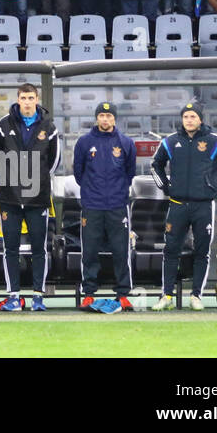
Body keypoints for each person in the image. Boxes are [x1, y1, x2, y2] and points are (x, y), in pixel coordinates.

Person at [150, 102, 217, 310]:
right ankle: (166, 295)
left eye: (193, 116)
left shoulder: (215, 142)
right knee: (171, 250)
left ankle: (196, 296)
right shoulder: (170, 142)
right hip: (177, 205)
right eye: (186, 117)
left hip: (203, 205)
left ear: (200, 119)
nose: (189, 120)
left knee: (201, 251)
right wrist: (164, 186)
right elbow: (155, 164)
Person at [0, 83, 61, 312]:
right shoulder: (3, 125)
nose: (28, 102)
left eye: (31, 97)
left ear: (37, 99)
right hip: (9, 197)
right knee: (10, 248)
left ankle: (38, 296)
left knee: (39, 248)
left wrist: (37, 181)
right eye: (24, 97)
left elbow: (54, 162)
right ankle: (13, 296)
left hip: (37, 197)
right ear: (18, 99)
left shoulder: (49, 127)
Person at [73, 102, 136, 312]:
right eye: (101, 115)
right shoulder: (84, 142)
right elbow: (79, 173)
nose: (105, 119)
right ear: (97, 118)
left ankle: (123, 294)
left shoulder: (126, 143)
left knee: (121, 251)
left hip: (118, 205)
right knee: (89, 252)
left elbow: (130, 173)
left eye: (109, 116)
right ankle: (89, 293)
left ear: (114, 119)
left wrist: (117, 192)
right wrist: (92, 192)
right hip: (92, 205)